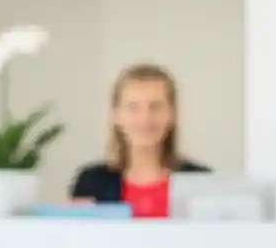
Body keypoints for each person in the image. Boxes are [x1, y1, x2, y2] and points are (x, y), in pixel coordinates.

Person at [69, 63, 209, 218]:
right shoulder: (91, 183)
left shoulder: (202, 182)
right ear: (116, 116)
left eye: (155, 107)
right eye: (133, 107)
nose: (144, 119)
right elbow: (78, 240)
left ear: (172, 114)